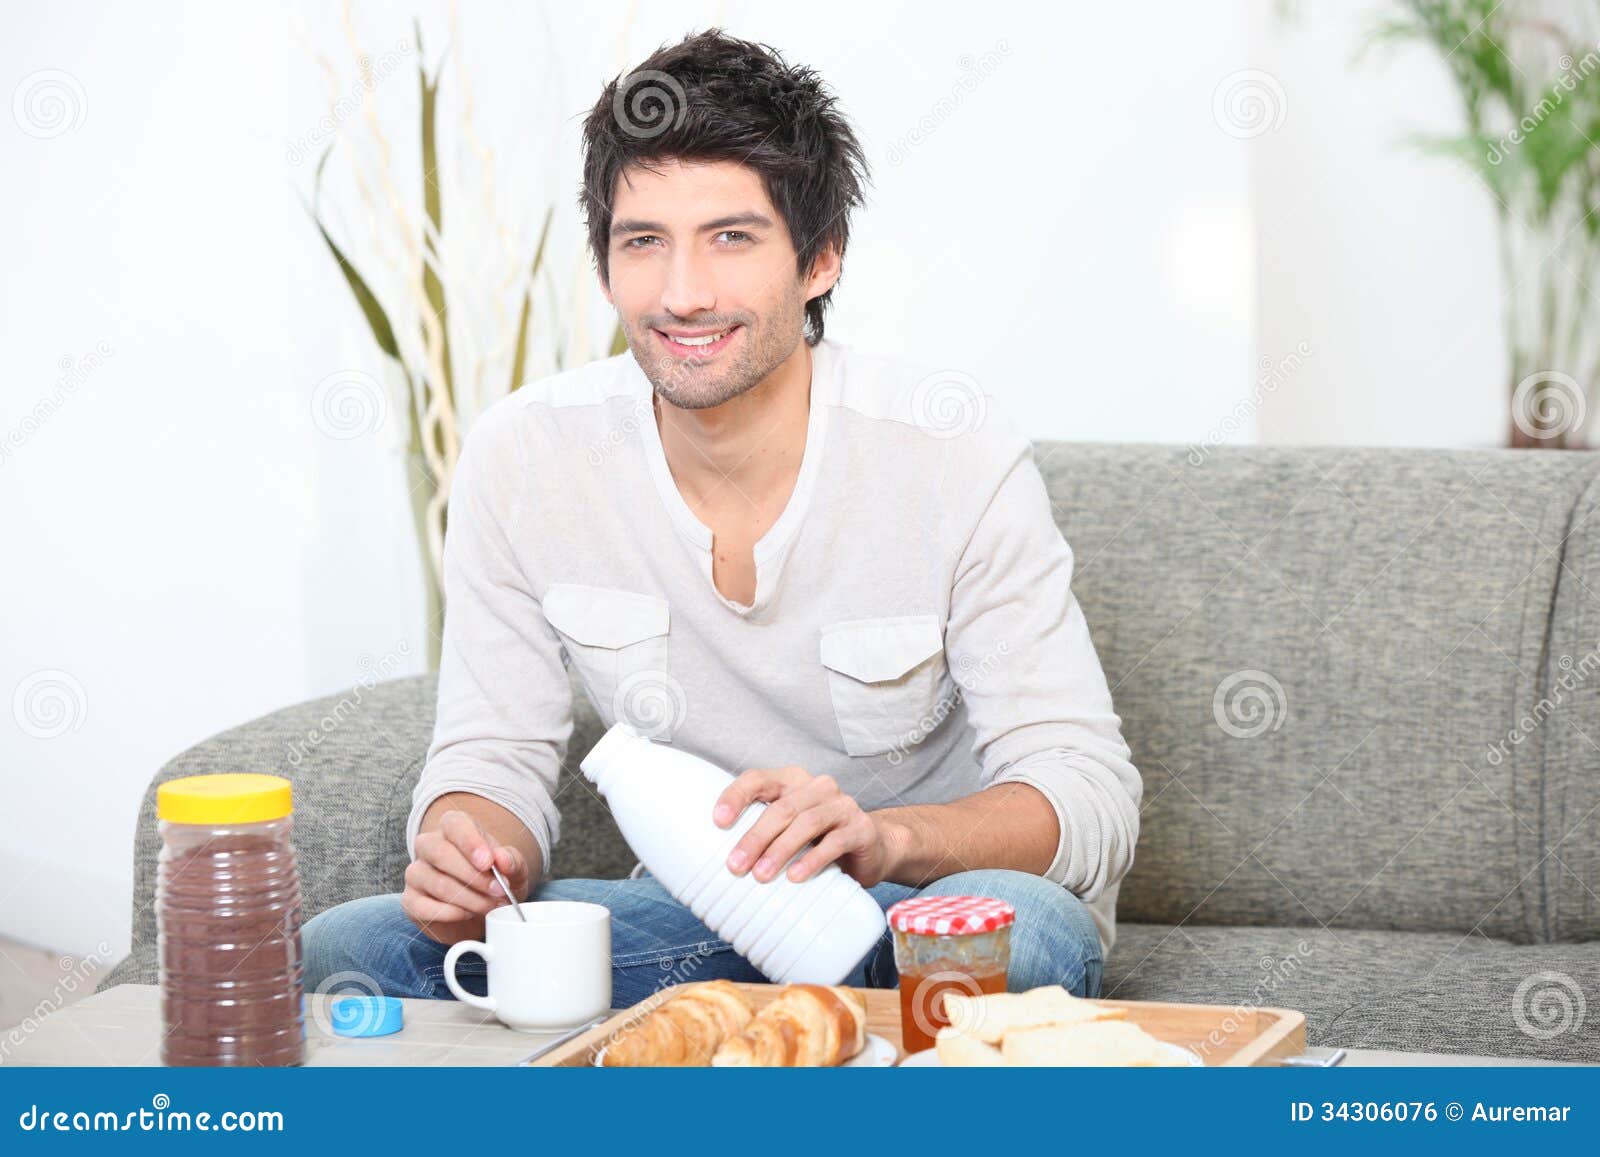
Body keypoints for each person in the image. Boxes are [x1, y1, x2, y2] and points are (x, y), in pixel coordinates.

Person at [303, 28, 1140, 1011]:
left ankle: (762, 1024)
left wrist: (890, 837)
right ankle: (780, 1028)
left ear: (819, 259)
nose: (681, 293)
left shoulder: (948, 450)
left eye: (730, 238)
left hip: (931, 894)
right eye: (642, 241)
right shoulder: (522, 457)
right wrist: (466, 844)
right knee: (352, 946)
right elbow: (492, 756)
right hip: (707, 906)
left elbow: (1086, 790)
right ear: (606, 263)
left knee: (1017, 945)